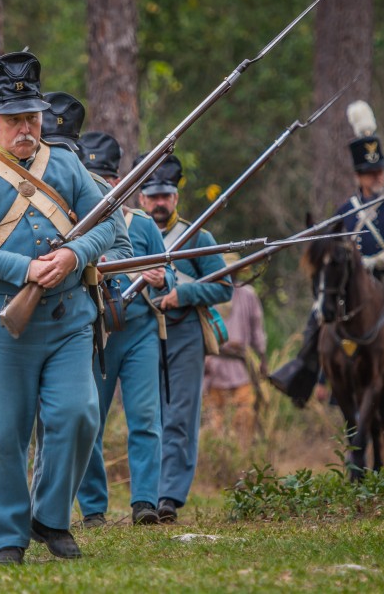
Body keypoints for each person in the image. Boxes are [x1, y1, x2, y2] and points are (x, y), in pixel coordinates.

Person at [0, 51, 129, 565]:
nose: (25, 127)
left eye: (32, 116)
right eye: (13, 118)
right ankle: (6, 537)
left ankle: (50, 517)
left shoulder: (66, 164)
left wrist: (73, 253)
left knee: (79, 413)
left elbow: (110, 225)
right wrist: (25, 269)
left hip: (67, 318)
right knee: (1, 434)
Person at [269, 100, 384, 410]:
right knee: (318, 315)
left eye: (379, 171)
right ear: (358, 176)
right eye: (370, 172)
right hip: (352, 280)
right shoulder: (346, 211)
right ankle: (304, 374)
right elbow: (333, 244)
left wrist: (381, 260)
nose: (377, 177)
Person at [75, 131, 174, 527]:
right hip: (96, 332)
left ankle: (145, 502)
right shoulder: (74, 225)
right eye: (92, 175)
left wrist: (158, 277)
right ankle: (93, 507)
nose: (101, 185)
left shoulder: (143, 224)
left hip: (139, 332)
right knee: (88, 420)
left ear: (119, 182)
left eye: (107, 178)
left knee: (145, 419)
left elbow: (167, 272)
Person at [136, 154, 232, 524]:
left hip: (184, 334)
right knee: (149, 416)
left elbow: (224, 287)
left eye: (166, 196)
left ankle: (169, 497)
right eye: (152, 196)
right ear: (142, 199)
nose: (159, 203)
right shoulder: (133, 234)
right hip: (142, 332)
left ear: (175, 198)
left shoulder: (197, 236)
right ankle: (145, 494)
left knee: (179, 416)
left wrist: (184, 293)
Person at [202, 253, 267, 443]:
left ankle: (242, 458)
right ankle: (218, 457)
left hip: (240, 365)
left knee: (245, 414)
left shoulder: (248, 295)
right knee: (215, 418)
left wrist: (263, 359)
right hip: (214, 362)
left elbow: (257, 330)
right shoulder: (209, 293)